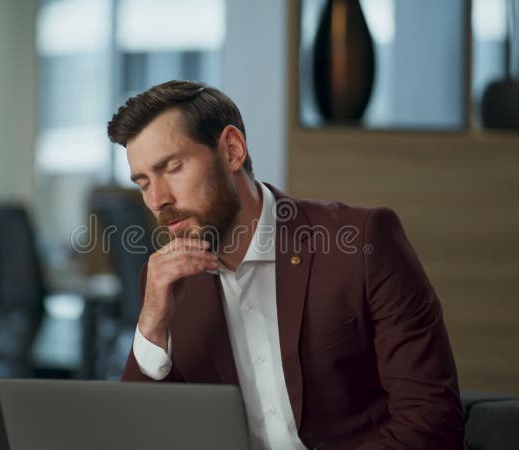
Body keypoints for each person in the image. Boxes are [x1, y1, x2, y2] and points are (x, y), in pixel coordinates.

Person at [107, 80, 465, 450]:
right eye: (143, 183)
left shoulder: (361, 243)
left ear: (232, 150)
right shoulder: (166, 284)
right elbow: (138, 436)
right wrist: (151, 326)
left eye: (173, 167)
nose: (157, 199)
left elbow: (431, 422)